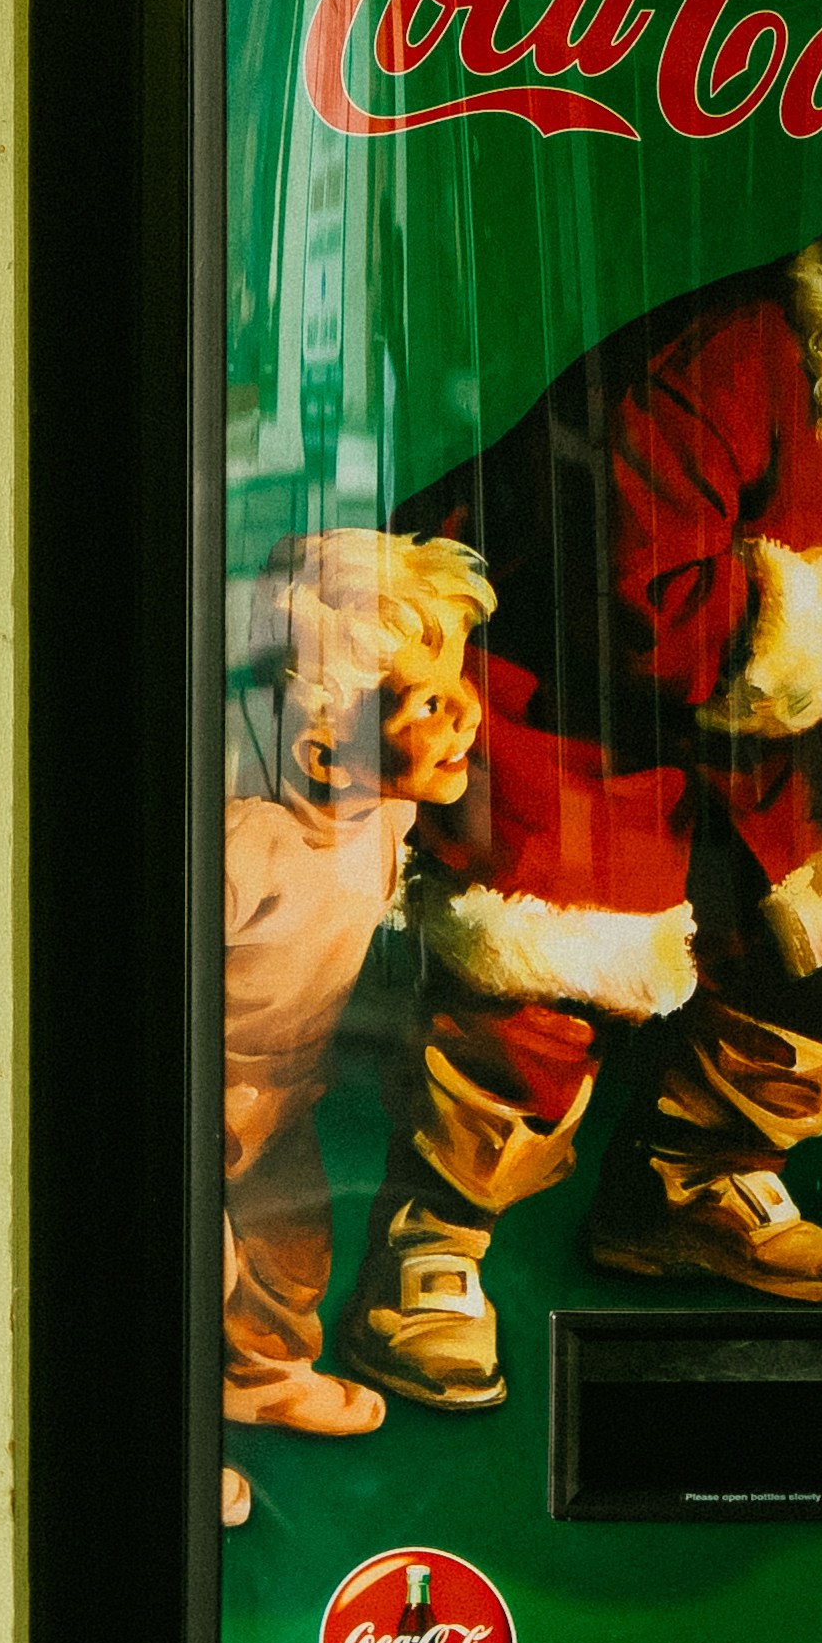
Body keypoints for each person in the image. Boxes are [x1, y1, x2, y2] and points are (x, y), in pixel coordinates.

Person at [347, 126, 822, 1410]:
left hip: (749, 713)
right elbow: (627, 593)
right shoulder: (733, 352)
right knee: (544, 960)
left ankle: (685, 1189)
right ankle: (433, 1245)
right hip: (554, 675)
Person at [216, 529, 492, 1524]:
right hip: (205, 1088)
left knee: (289, 1245)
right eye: (427, 703)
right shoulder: (250, 846)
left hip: (286, 1089)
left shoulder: (383, 813)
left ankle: (262, 1372)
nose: (466, 715)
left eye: (458, 683)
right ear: (322, 749)